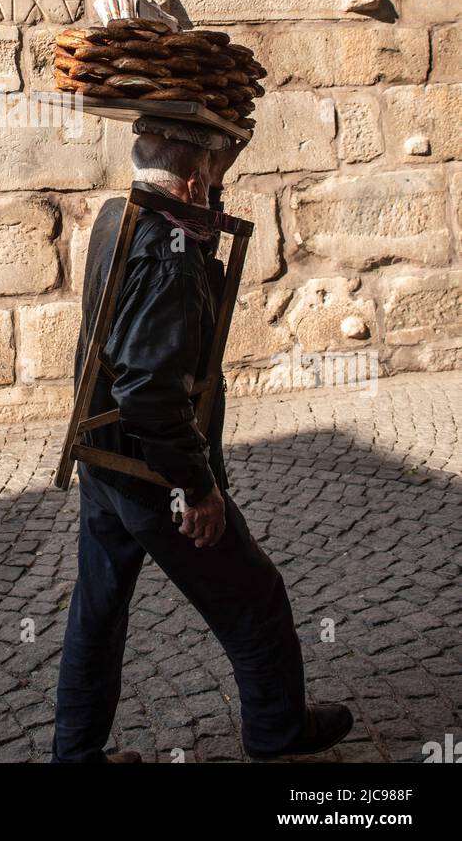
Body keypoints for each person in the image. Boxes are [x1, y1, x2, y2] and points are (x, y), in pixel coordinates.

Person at [51, 122, 353, 763]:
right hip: (151, 471)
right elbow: (150, 392)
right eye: (211, 184)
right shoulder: (171, 254)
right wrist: (197, 487)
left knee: (98, 613)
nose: (216, 195)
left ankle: (75, 758)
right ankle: (279, 731)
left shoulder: (114, 214)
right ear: (192, 183)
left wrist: (210, 177)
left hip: (103, 463)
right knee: (254, 595)